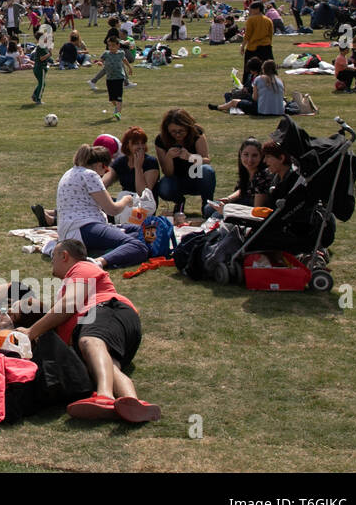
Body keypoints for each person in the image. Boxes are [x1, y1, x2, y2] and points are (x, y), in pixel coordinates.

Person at [19, 238, 160, 422]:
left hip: (107, 309)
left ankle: (105, 397)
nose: (51, 263)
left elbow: (69, 305)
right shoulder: (73, 280)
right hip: (112, 324)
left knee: (90, 341)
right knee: (107, 365)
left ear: (64, 256)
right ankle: (132, 402)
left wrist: (31, 332)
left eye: (53, 257)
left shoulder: (82, 268)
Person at [154, 108, 216, 218]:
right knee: (163, 186)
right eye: (173, 131)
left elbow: (206, 160)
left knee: (207, 171)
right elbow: (167, 173)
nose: (177, 135)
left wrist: (189, 157)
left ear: (188, 127)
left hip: (195, 176)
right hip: (176, 179)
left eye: (181, 131)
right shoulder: (161, 140)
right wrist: (168, 157)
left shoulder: (197, 134)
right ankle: (179, 202)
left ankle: (207, 205)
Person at [205, 137, 272, 217]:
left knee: (217, 215)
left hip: (251, 210)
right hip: (242, 203)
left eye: (254, 155)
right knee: (208, 208)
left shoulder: (262, 176)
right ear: (241, 154)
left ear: (261, 156)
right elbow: (242, 189)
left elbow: (257, 209)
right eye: (246, 155)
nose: (249, 160)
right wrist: (228, 199)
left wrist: (229, 210)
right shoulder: (246, 171)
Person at [241, 0, 275, 87]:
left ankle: (247, 86)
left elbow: (248, 34)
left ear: (258, 9)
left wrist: (243, 46)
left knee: (249, 68)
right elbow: (270, 34)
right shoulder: (268, 20)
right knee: (268, 68)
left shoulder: (251, 20)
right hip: (266, 47)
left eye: (252, 9)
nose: (250, 11)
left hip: (253, 48)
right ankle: (271, 84)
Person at [99, 35, 130, 121]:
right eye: (109, 45)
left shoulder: (121, 53)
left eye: (113, 45)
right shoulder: (106, 53)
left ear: (118, 45)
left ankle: (118, 113)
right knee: (112, 98)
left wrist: (129, 67)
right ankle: (116, 107)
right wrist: (100, 62)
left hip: (119, 78)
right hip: (110, 78)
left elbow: (124, 60)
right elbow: (101, 60)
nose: (111, 47)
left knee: (119, 97)